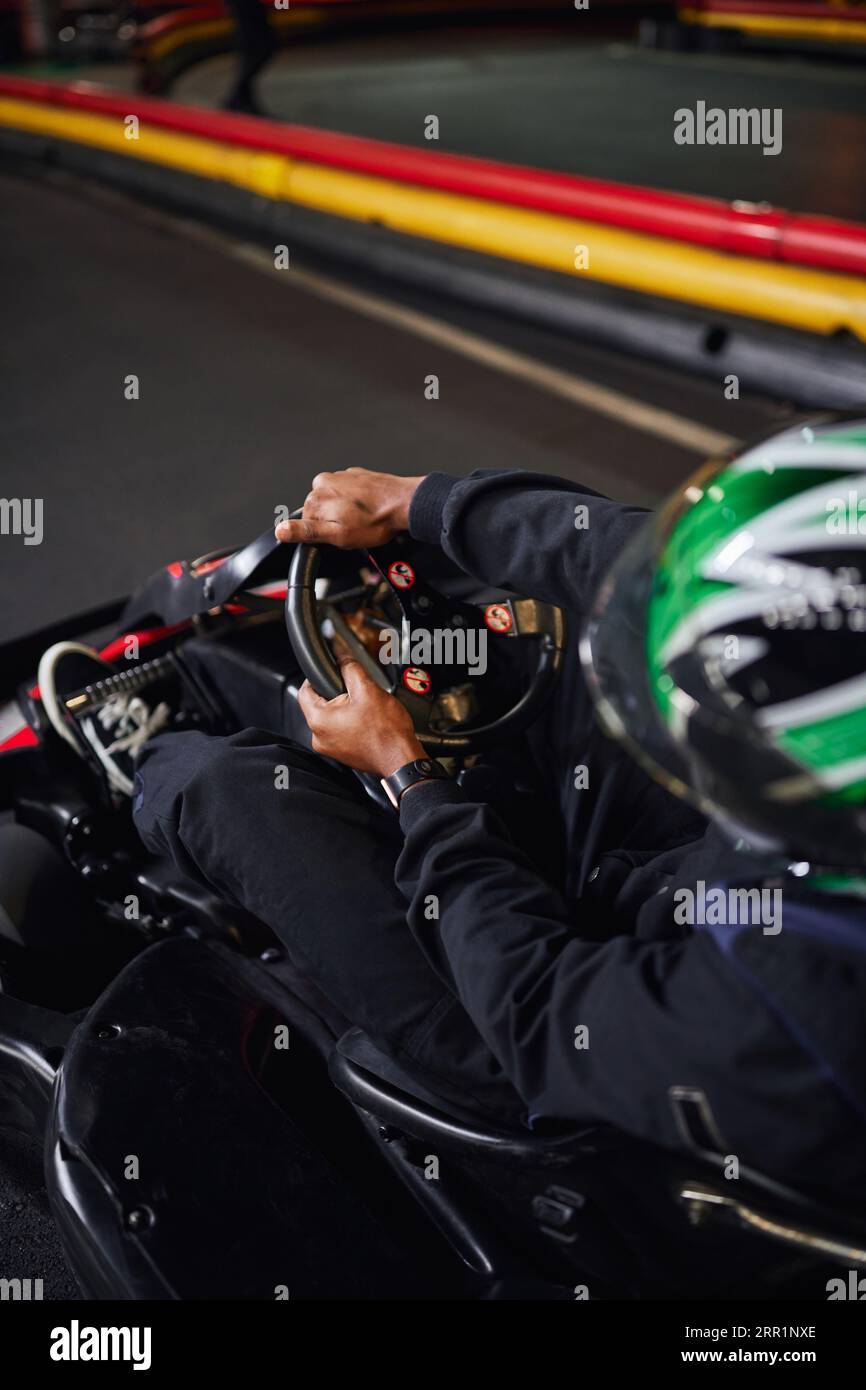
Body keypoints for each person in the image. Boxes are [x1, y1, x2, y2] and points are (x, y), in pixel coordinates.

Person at [51, 420, 866, 1195]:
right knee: (546, 661)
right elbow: (649, 566)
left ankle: (142, 768)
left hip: (536, 1043)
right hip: (671, 894)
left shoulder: (799, 1014)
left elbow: (536, 1001)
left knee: (219, 788)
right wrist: (423, 503)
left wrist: (412, 779)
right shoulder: (830, 800)